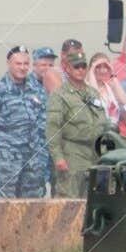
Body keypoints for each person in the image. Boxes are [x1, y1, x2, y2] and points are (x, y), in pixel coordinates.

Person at [0, 46, 48, 199]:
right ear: (8, 63)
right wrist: (4, 142)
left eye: (26, 64)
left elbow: (42, 119)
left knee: (32, 206)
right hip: (6, 159)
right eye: (18, 64)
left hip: (32, 159)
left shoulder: (36, 89)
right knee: (3, 205)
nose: (23, 68)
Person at [47, 51, 107, 197]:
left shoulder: (93, 93)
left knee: (92, 201)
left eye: (83, 66)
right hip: (72, 154)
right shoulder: (60, 94)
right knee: (69, 202)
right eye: (76, 67)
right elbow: (53, 128)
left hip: (94, 155)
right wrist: (58, 157)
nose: (80, 70)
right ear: (68, 69)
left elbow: (101, 121)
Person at [87, 52, 126, 126]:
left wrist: (113, 74)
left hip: (113, 132)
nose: (103, 70)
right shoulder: (86, 87)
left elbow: (124, 101)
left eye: (106, 67)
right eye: (98, 67)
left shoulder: (110, 86)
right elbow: (95, 98)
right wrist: (92, 68)